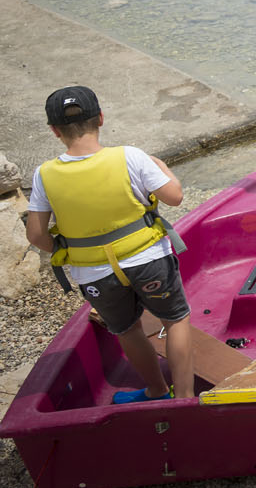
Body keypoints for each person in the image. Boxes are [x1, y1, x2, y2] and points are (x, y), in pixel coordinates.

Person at [24, 86, 192, 404]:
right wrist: (164, 170)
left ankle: (156, 390)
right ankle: (183, 398)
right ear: (100, 118)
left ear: (54, 131)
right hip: (148, 260)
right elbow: (174, 197)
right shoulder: (129, 156)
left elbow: (35, 235)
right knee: (176, 320)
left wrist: (71, 252)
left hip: (95, 274)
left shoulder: (44, 175)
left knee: (128, 330)